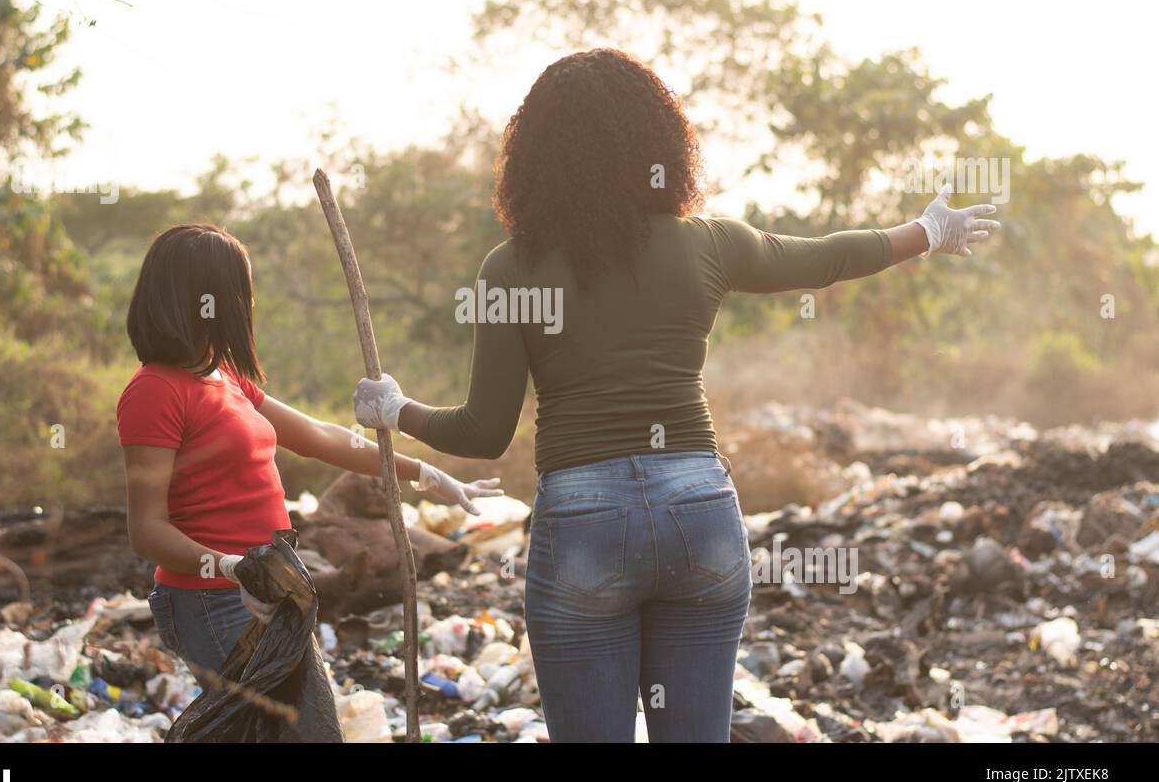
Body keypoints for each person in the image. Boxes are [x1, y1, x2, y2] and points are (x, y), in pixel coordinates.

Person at [353, 47, 1000, 742]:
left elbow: (484, 431)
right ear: (659, 142)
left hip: (584, 526)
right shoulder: (709, 245)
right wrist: (928, 231)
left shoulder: (511, 269)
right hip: (700, 515)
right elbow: (827, 256)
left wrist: (396, 410)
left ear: (535, 156)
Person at [116, 222, 502, 675]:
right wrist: (229, 568)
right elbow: (146, 530)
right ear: (207, 300)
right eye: (241, 291)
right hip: (213, 602)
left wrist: (424, 473)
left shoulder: (224, 377)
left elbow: (320, 437)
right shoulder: (155, 391)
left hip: (271, 587)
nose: (250, 304)